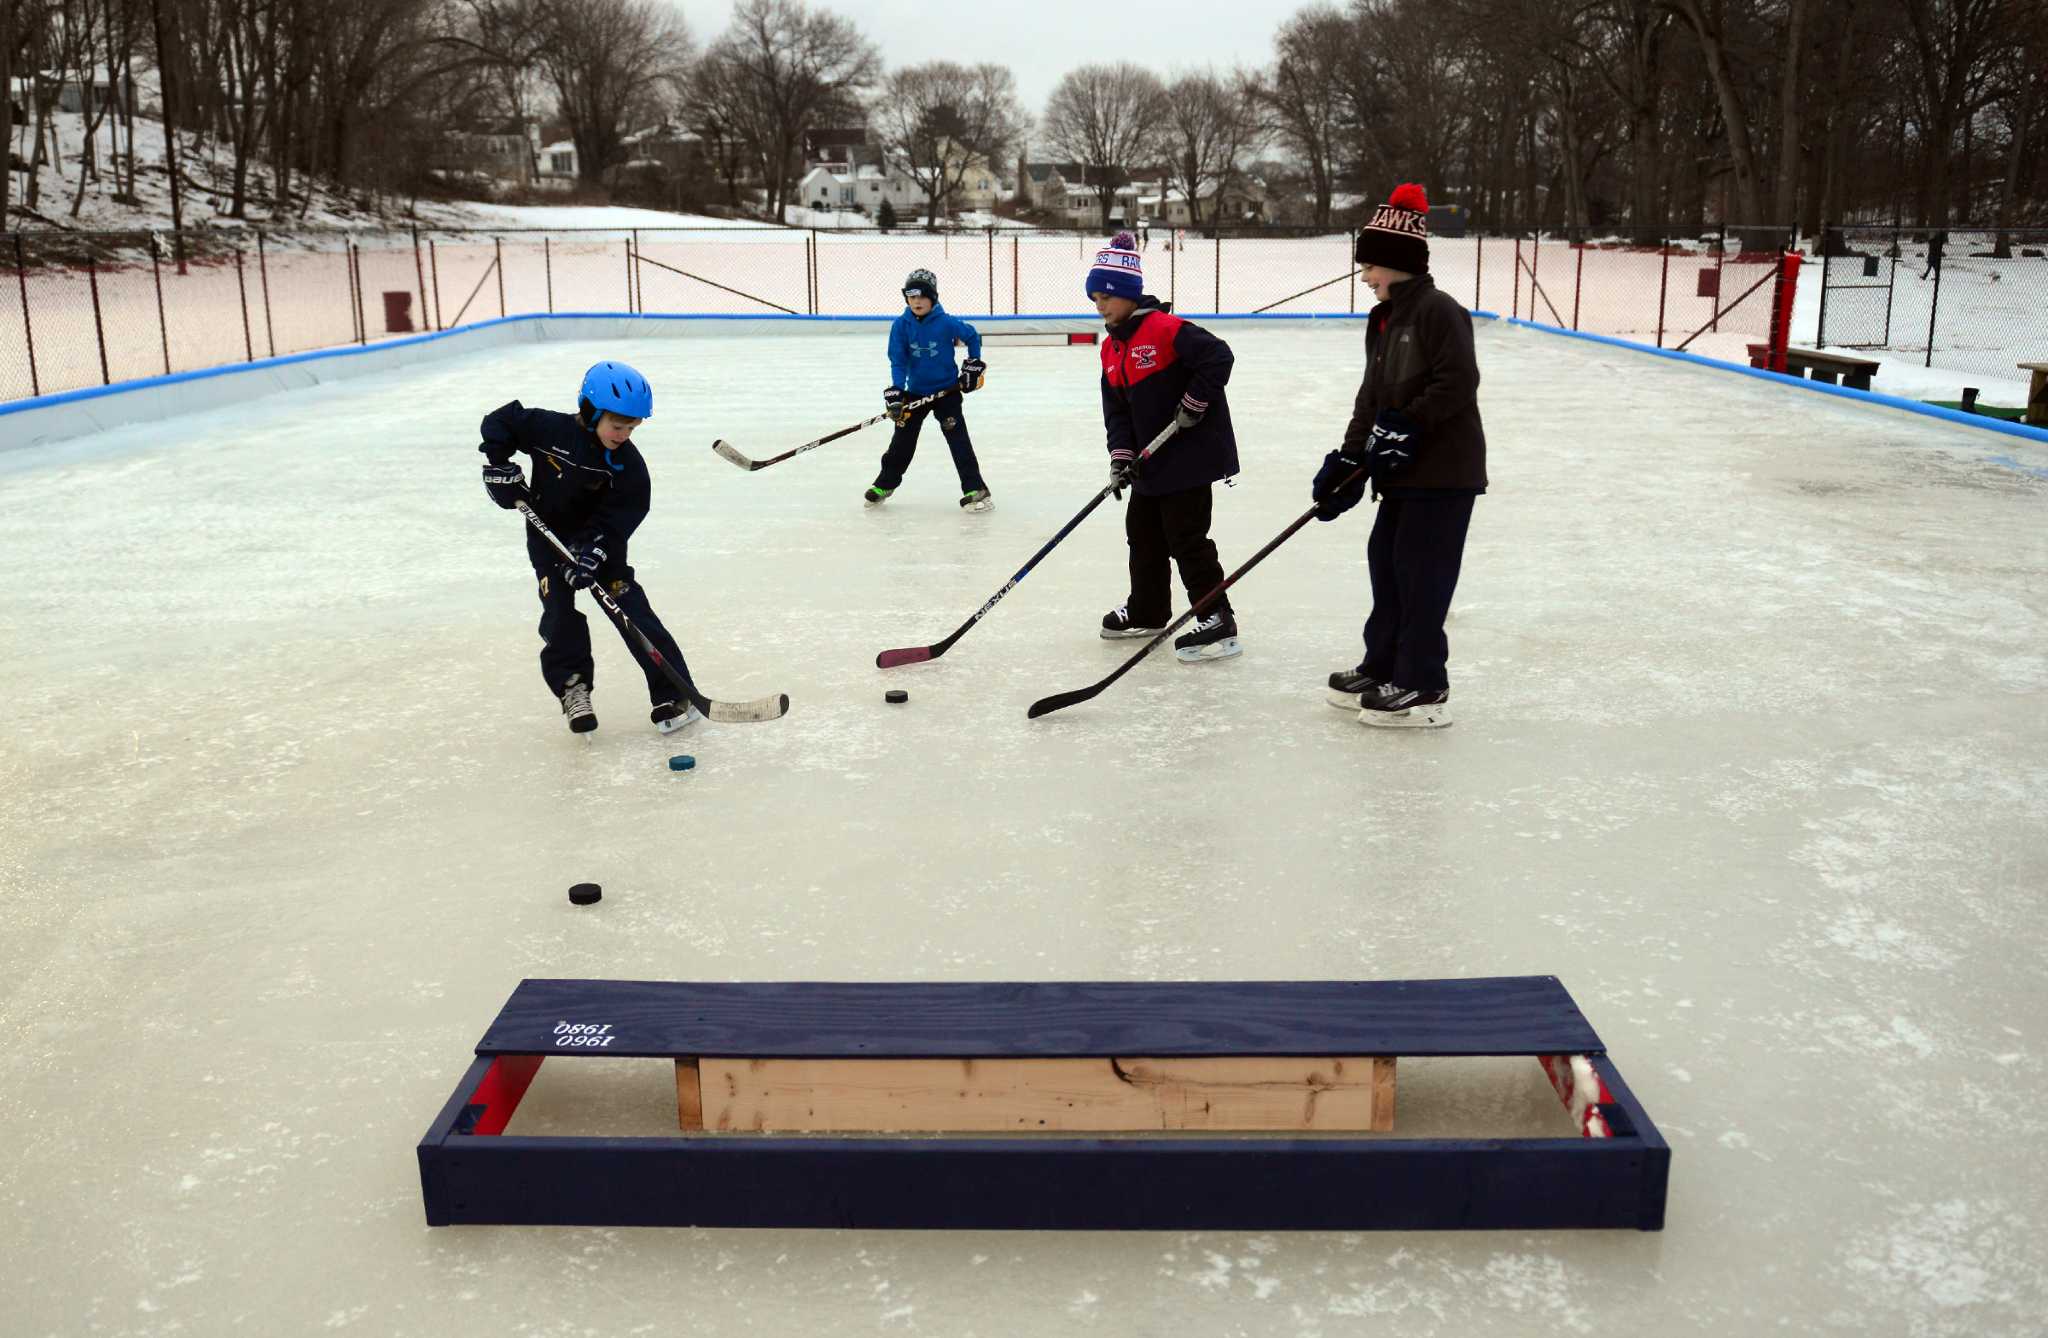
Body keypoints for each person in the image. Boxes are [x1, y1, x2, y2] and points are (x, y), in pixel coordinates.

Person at [1311, 183, 1487, 729]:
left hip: (1444, 473)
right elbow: (1372, 397)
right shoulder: (1383, 320)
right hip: (1403, 473)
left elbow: (1458, 381)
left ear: (1398, 264)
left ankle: (1423, 682)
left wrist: (1406, 425)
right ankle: (1383, 664)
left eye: (1371, 267)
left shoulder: (1439, 312)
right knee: (1386, 566)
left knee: (1421, 575)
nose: (1365, 278)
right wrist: (1350, 458)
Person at [478, 359, 701, 737]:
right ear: (590, 411)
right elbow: (500, 421)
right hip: (548, 539)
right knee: (559, 615)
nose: (625, 434)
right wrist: (499, 465)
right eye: (618, 424)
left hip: (601, 548)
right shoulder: (547, 429)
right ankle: (573, 686)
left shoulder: (627, 466)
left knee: (632, 613)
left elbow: (627, 511)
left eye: (633, 427)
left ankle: (674, 693)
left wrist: (593, 548)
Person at [1088, 232, 1243, 662]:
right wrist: (1121, 456)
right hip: (1150, 462)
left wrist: (1193, 403)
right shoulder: (1111, 349)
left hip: (1188, 457)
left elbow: (1218, 357)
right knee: (1142, 533)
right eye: (1095, 298)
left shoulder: (1164, 329)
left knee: (1186, 538)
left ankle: (1217, 620)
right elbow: (1116, 412)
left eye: (1106, 297)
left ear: (1128, 294)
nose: (1100, 306)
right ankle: (1149, 609)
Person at [865, 268, 992, 512]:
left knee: (957, 439)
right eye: (911, 296)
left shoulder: (946, 322)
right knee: (902, 441)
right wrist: (896, 392)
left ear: (932, 297)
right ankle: (885, 483)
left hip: (947, 392)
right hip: (916, 393)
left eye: (922, 296)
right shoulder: (901, 326)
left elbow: (973, 336)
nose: (916, 301)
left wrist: (973, 365)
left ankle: (975, 489)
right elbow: (898, 360)